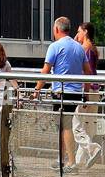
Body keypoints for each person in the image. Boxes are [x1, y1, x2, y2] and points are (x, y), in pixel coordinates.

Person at [35, 16, 87, 168]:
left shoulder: (55, 46)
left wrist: (37, 89)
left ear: (57, 29)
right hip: (76, 92)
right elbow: (88, 71)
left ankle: (71, 162)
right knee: (63, 125)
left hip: (61, 92)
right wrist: (87, 91)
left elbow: (45, 71)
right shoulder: (79, 47)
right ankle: (62, 159)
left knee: (65, 126)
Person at [72, 21, 103, 168]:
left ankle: (92, 149)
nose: (77, 34)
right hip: (95, 89)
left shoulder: (84, 49)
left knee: (77, 125)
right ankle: (80, 161)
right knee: (89, 126)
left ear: (85, 32)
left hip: (87, 89)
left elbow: (86, 72)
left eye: (79, 31)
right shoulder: (94, 48)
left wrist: (84, 93)